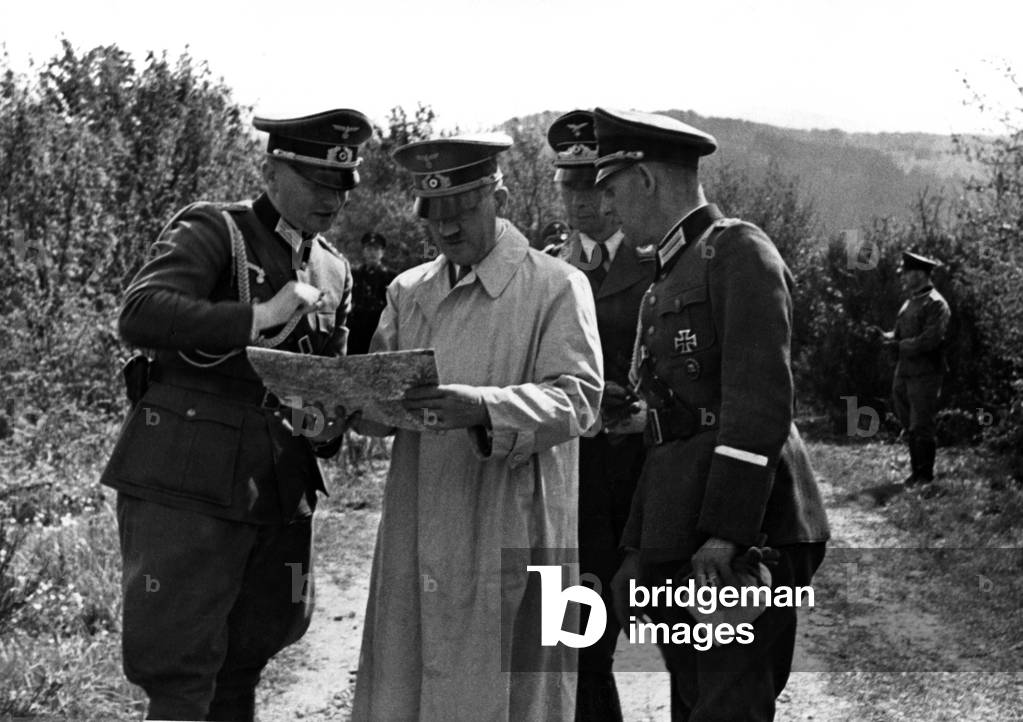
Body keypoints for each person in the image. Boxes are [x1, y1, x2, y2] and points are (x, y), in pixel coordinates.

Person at [100, 108, 372, 721]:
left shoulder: (335, 268)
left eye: (342, 186)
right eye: (317, 183)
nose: (333, 199)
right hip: (189, 486)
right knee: (181, 674)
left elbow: (328, 374)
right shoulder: (217, 230)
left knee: (249, 656)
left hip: (278, 493)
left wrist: (327, 422)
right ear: (273, 170)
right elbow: (140, 314)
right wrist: (259, 315)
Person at [351, 134, 604, 722]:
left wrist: (484, 407)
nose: (446, 228)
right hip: (418, 514)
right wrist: (341, 404)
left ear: (500, 197)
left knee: (510, 687)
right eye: (433, 214)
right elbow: (380, 402)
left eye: (462, 208)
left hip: (510, 516)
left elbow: (578, 399)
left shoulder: (557, 286)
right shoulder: (407, 291)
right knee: (410, 678)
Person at [596, 108, 831, 721]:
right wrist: (639, 546)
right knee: (697, 702)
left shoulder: (736, 250)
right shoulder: (667, 275)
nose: (607, 210)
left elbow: (761, 397)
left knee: (730, 706)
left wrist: (730, 529)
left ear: (646, 180)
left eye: (613, 190)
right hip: (685, 524)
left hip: (748, 529)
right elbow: (670, 427)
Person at [546, 109, 656, 722]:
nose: (581, 201)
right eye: (568, 185)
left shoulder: (659, 263)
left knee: (681, 636)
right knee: (575, 642)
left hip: (643, 476)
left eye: (592, 184)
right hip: (569, 482)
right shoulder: (543, 269)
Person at [880, 251, 951, 485]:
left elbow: (930, 340)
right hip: (905, 371)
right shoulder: (910, 302)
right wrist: (884, 336)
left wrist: (898, 344)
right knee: (909, 421)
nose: (903, 278)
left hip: (926, 373)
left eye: (907, 274)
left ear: (920, 275)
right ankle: (915, 473)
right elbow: (900, 333)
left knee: (922, 423)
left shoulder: (936, 304)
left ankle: (925, 476)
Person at [348, 231, 396, 354]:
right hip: (356, 332)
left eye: (376, 249)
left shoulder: (391, 277)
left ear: (382, 252)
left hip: (379, 330)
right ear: (363, 251)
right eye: (369, 249)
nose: (372, 253)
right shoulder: (354, 275)